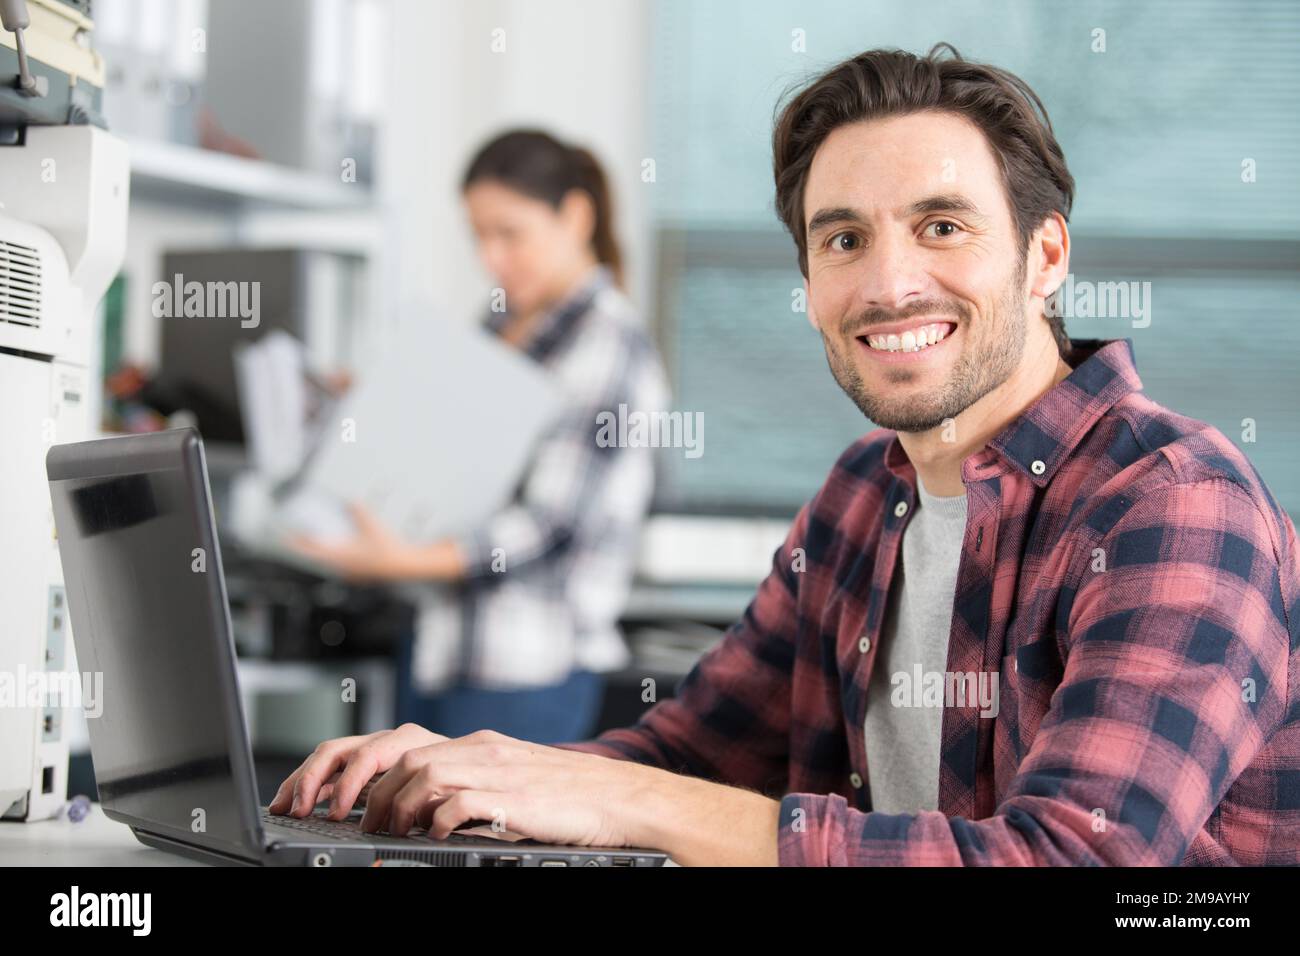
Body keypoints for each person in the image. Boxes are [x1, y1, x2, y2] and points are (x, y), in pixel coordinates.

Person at [273, 46, 1299, 866]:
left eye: (940, 225)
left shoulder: (1173, 505)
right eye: (842, 239)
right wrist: (474, 772)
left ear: (1044, 256)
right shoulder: (862, 495)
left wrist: (630, 797)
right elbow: (686, 751)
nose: (890, 283)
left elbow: (1070, 858)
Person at [291, 129, 669, 743]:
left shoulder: (606, 344)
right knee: (405, 835)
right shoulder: (498, 322)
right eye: (478, 237)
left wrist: (397, 562)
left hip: (526, 671)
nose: (490, 258)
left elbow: (549, 526)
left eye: (509, 234)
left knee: (479, 838)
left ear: (574, 216)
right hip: (441, 646)